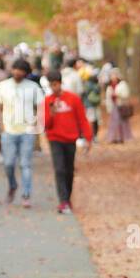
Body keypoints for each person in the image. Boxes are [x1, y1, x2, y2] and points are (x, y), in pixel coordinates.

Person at [0, 58, 43, 206]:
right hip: (8, 131)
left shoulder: (33, 87)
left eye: (21, 70)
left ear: (26, 73)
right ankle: (13, 185)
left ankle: (26, 195)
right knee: (8, 164)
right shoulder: (3, 86)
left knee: (25, 164)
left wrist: (36, 125)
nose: (17, 72)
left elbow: (40, 107)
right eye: (15, 69)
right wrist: (0, 125)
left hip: (27, 131)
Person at [42, 70, 92, 213]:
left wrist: (88, 138)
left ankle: (67, 198)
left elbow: (82, 119)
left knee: (69, 170)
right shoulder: (47, 101)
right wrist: (51, 114)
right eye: (51, 85)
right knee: (59, 169)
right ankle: (63, 201)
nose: (54, 88)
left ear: (60, 83)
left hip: (70, 139)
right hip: (55, 139)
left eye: (56, 84)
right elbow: (45, 124)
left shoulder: (73, 99)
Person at [103, 68, 133, 143]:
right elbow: (108, 97)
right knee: (114, 122)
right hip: (113, 106)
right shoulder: (110, 86)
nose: (113, 77)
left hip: (120, 105)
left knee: (122, 122)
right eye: (112, 75)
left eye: (114, 75)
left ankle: (123, 137)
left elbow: (126, 94)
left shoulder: (122, 84)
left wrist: (117, 94)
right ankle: (114, 137)